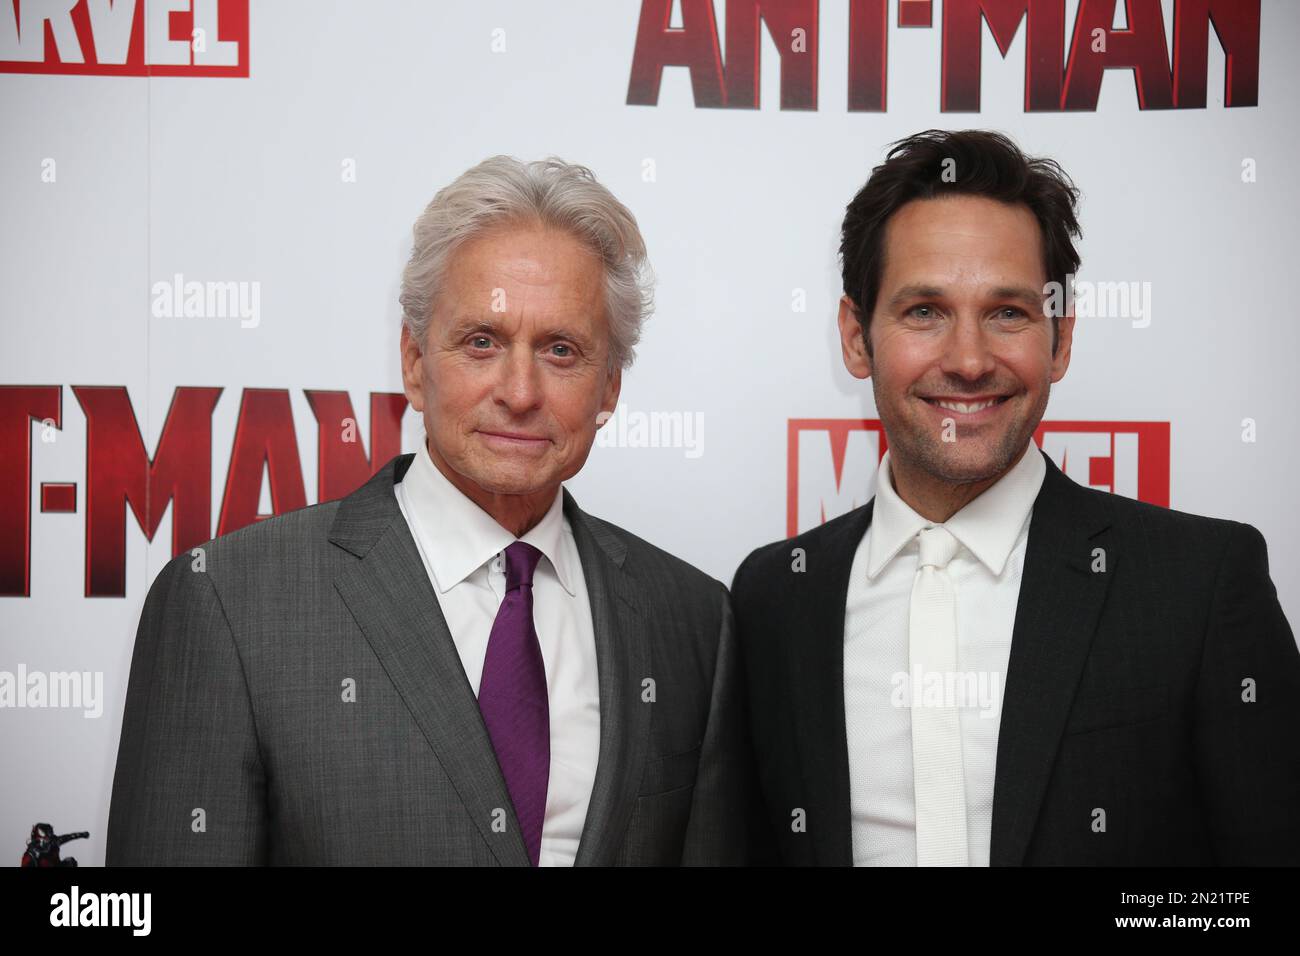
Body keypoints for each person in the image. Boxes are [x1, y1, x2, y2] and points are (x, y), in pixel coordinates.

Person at [108, 156, 755, 866]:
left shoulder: (692, 621)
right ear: (414, 363)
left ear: (609, 389)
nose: (519, 391)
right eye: (482, 341)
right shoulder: (231, 602)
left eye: (561, 351)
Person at [732, 129, 1300, 866]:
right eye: (924, 311)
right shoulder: (773, 597)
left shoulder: (1200, 583)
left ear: (1059, 339)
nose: (969, 361)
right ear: (856, 338)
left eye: (1008, 312)